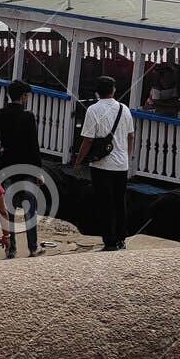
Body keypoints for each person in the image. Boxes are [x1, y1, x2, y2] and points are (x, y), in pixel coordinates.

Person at [72, 76, 134, 251]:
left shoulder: (93, 110)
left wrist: (78, 161)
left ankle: (110, 241)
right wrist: (127, 157)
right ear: (114, 90)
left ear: (97, 91)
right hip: (121, 165)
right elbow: (131, 136)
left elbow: (88, 140)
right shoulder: (124, 109)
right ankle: (122, 239)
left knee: (105, 204)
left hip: (101, 165)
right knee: (119, 203)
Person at [0, 80, 44, 257]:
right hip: (26, 168)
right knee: (29, 209)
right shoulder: (28, 116)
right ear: (24, 97)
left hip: (5, 165)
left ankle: (12, 248)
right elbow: (34, 146)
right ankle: (32, 247)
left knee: (8, 208)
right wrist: (38, 171)